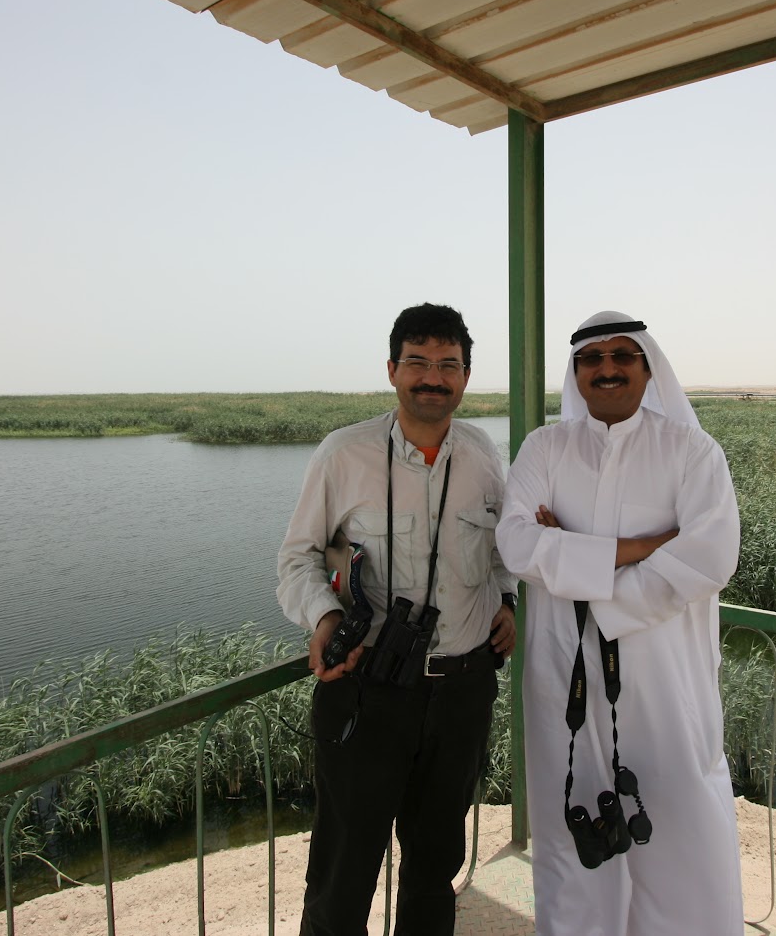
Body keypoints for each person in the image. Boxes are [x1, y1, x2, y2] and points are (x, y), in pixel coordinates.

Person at [495, 310, 744, 936]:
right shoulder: (544, 447)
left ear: (646, 367)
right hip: (563, 674)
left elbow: (708, 556)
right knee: (568, 825)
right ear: (576, 373)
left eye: (621, 357)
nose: (606, 369)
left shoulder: (691, 451)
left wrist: (580, 571)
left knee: (678, 822)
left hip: (664, 675)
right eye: (591, 359)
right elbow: (516, 544)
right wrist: (639, 547)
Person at [276, 302, 517, 936]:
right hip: (367, 689)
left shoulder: (485, 455)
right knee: (344, 869)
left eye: (447, 365)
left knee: (436, 868)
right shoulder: (344, 453)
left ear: (466, 377)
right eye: (417, 362)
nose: (431, 377)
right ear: (391, 370)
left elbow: (503, 555)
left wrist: (510, 603)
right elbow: (297, 559)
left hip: (462, 691)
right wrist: (324, 618)